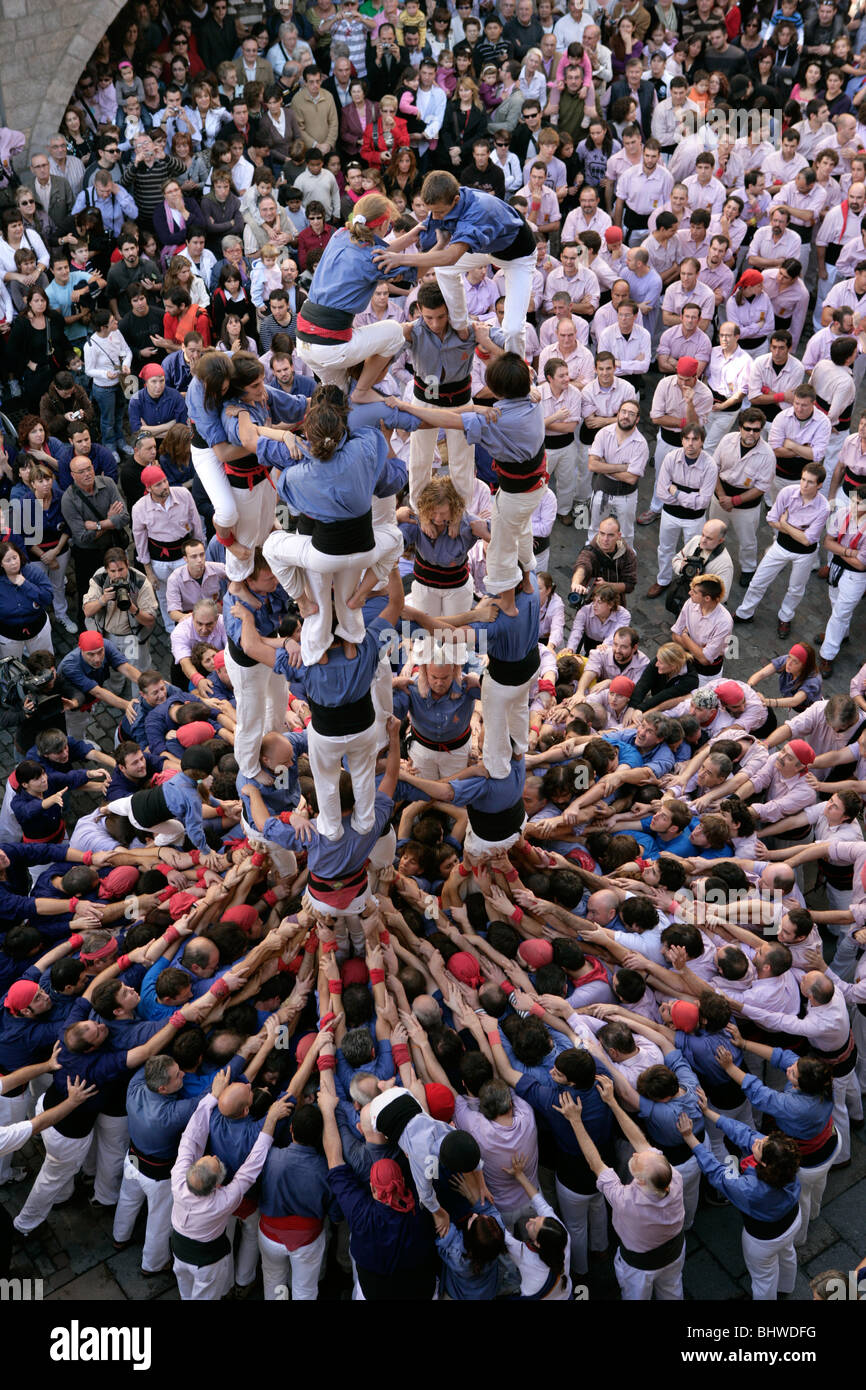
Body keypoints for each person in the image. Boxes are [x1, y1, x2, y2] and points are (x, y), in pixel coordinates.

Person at [373, 171, 537, 358]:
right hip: (489, 249)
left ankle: (517, 368)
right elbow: (418, 237)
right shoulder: (443, 201)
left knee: (513, 329)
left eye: (440, 212)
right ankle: (461, 325)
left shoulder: (478, 211)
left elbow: (450, 256)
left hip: (519, 257)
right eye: (432, 212)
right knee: (444, 270)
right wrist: (387, 254)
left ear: (456, 200)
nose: (436, 217)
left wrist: (400, 259)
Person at [735, 464, 831, 639]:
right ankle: (745, 613)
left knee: (796, 589)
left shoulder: (823, 507)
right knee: (758, 581)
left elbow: (807, 540)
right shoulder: (787, 492)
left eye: (810, 482)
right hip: (780, 546)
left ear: (819, 485)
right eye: (803, 479)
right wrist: (798, 531)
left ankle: (785, 617)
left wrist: (785, 524)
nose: (804, 485)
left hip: (805, 553)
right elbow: (771, 519)